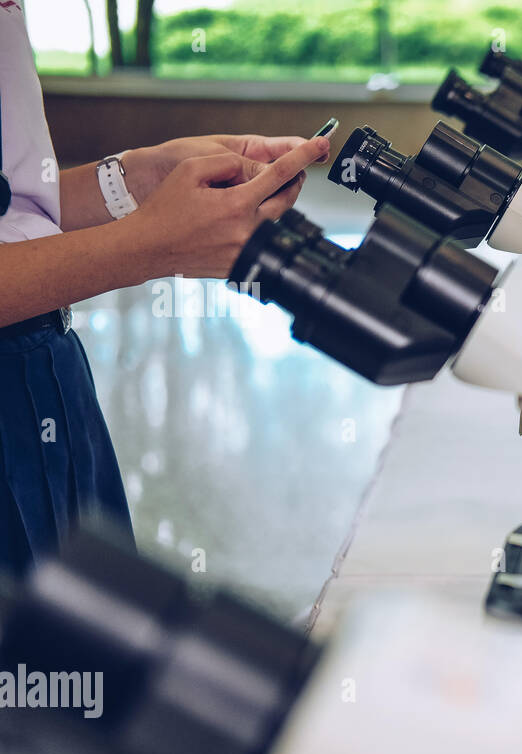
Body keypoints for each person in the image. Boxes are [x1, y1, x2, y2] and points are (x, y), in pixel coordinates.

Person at [0, 8, 329, 578]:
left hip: (44, 373)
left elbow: (15, 207)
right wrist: (148, 247)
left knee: (87, 642)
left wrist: (136, 179)